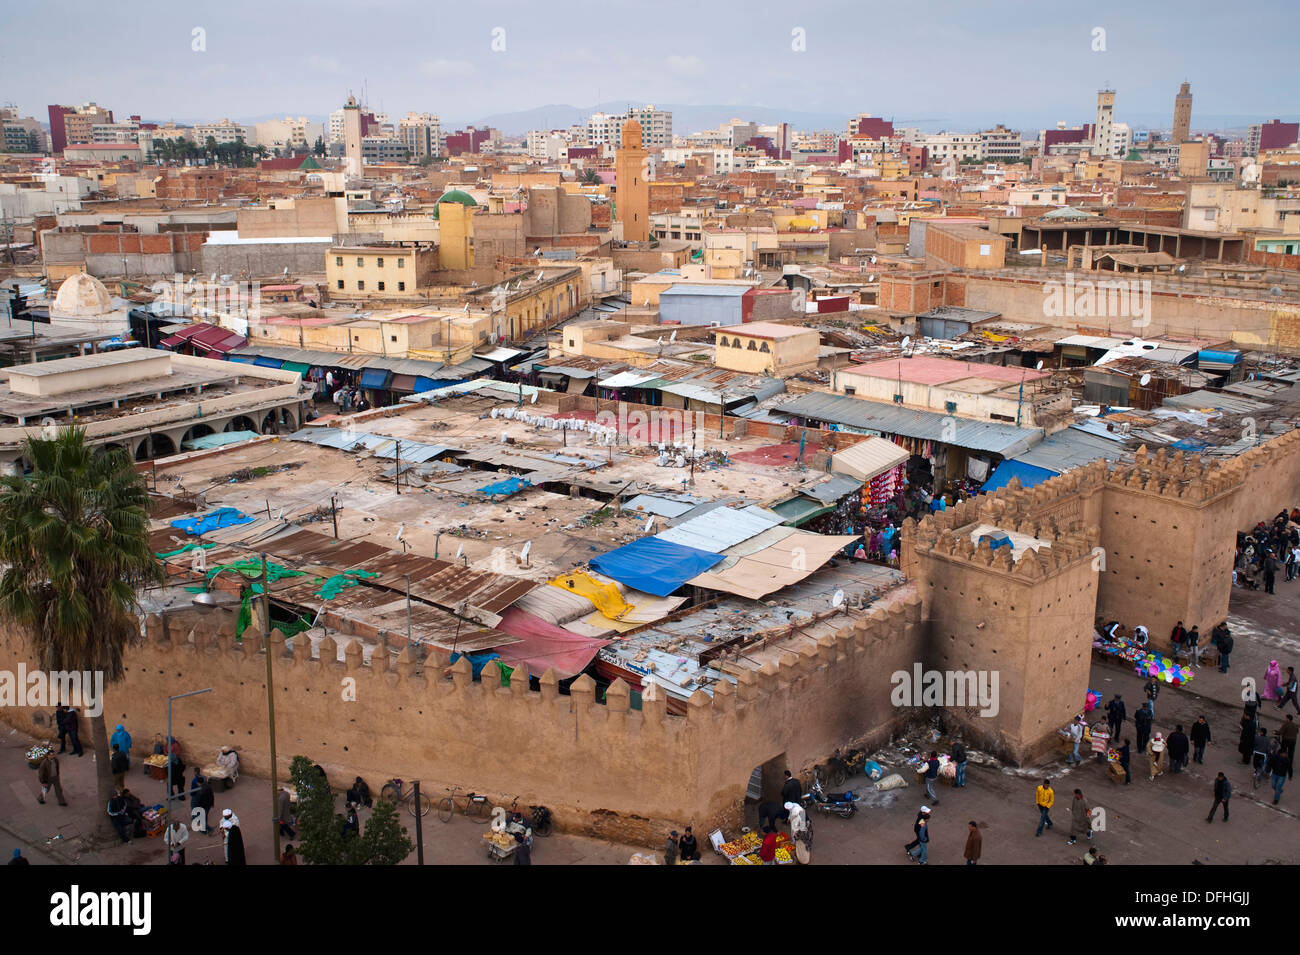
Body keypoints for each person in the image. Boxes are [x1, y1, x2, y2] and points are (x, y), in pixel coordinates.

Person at [1280, 715, 1297, 781]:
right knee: (1291, 753)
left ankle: (1281, 761)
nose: (1285, 719)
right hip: (1293, 741)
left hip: (1286, 740)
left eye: (1286, 718)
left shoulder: (1286, 724)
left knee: (1283, 750)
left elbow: (1281, 732)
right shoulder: (1295, 725)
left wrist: (1276, 732)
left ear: (1288, 719)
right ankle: (1289, 763)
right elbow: (1297, 732)